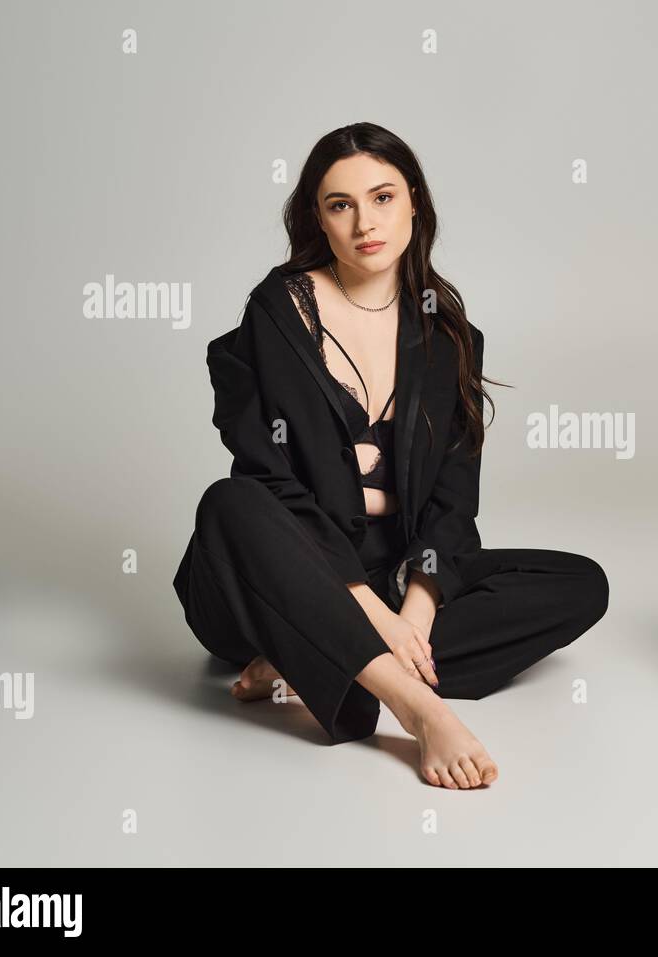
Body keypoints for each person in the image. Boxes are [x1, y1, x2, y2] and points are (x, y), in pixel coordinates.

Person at [172, 123, 609, 789]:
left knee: (580, 583)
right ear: (318, 219)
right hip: (267, 574)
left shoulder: (449, 336)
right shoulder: (281, 311)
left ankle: (308, 655)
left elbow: (452, 505)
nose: (363, 223)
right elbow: (271, 479)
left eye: (381, 198)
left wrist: (415, 610)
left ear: (413, 202)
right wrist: (369, 612)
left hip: (390, 576)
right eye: (339, 205)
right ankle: (414, 704)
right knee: (228, 503)